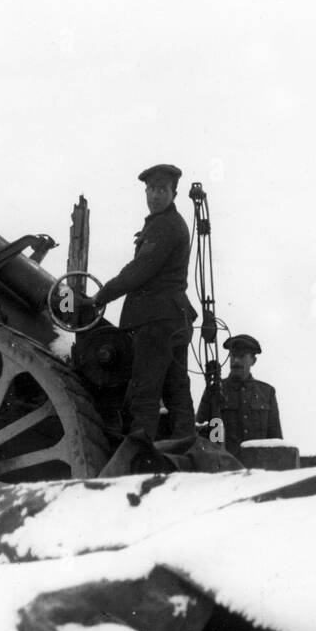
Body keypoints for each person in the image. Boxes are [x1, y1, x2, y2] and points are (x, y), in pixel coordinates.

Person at [84, 164, 197, 441]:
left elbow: (139, 270)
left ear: (173, 193)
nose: (155, 196)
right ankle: (186, 449)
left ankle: (140, 454)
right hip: (173, 318)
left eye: (162, 190)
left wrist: (101, 296)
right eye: (151, 190)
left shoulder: (164, 227)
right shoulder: (168, 224)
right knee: (176, 390)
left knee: (144, 391)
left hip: (155, 320)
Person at [195, 333, 282, 456]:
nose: (236, 361)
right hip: (225, 467)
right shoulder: (215, 390)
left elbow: (276, 440)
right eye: (233, 356)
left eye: (241, 356)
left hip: (259, 470)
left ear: (253, 361)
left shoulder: (267, 393)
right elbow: (200, 432)